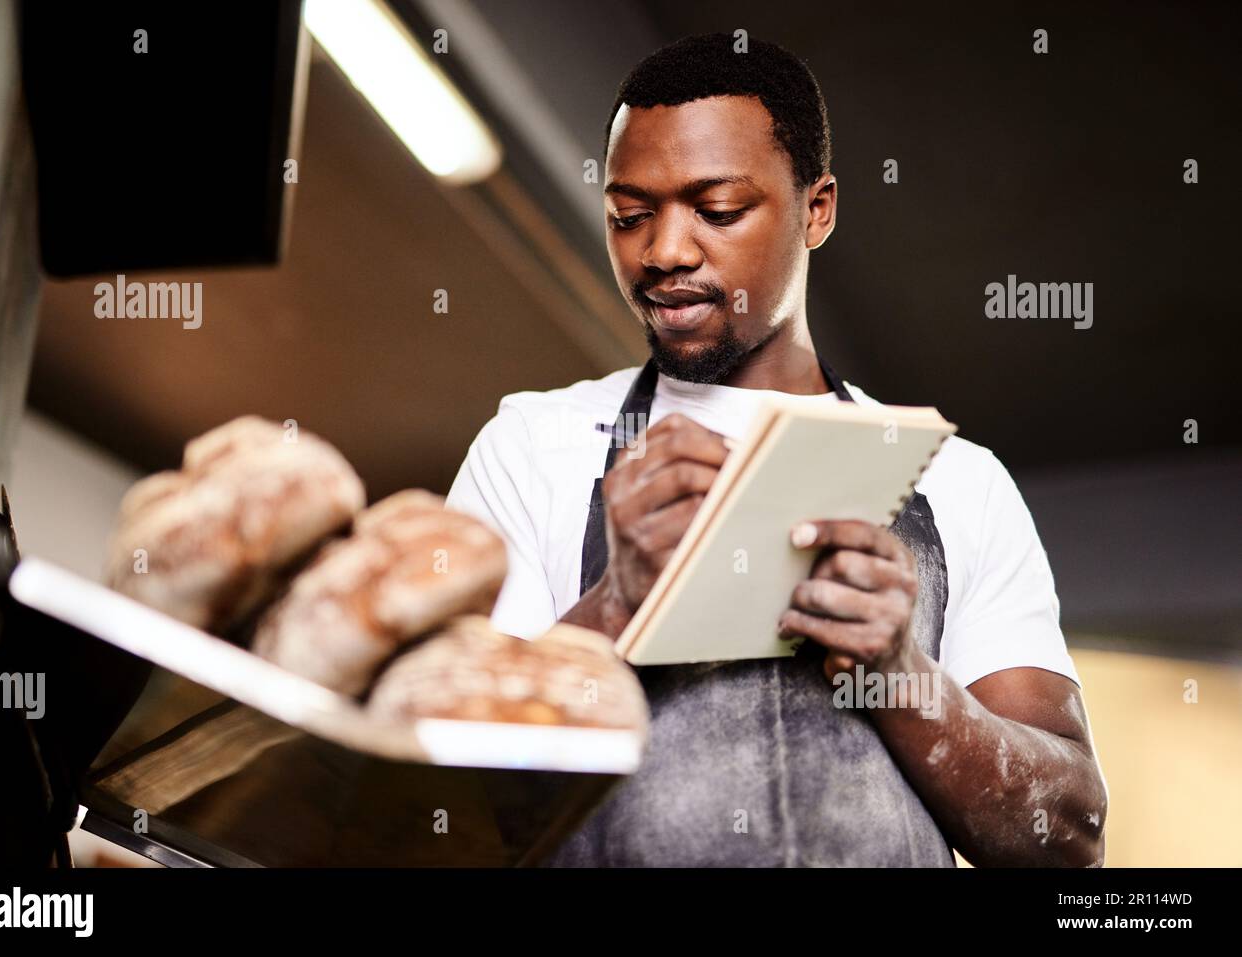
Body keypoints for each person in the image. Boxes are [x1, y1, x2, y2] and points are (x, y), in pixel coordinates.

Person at [445, 33, 1106, 867]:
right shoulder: (531, 447)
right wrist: (616, 610)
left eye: (717, 210)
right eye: (628, 215)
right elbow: (442, 799)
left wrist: (900, 672)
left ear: (816, 208)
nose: (664, 252)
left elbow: (1070, 836)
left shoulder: (960, 480)